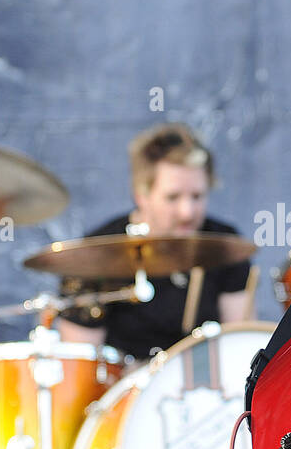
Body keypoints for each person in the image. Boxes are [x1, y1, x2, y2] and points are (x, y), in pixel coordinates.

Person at [56, 123, 254, 359]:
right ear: (141, 195)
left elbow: (240, 348)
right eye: (173, 197)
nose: (187, 212)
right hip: (130, 380)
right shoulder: (95, 255)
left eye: (197, 196)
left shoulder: (225, 246)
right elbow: (82, 364)